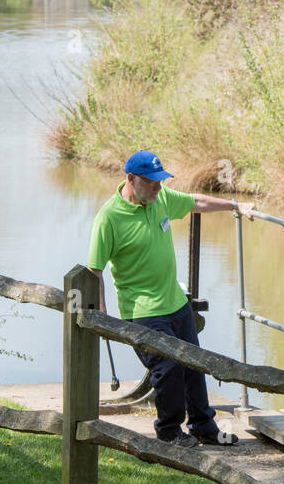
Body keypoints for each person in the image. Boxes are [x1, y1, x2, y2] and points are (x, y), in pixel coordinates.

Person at [87, 151, 256, 448]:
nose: (157, 187)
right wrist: (101, 313)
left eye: (160, 181)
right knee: (168, 368)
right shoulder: (109, 218)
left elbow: (196, 202)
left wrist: (236, 204)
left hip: (176, 304)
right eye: (151, 182)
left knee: (194, 364)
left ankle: (203, 427)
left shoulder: (160, 199)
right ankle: (168, 430)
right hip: (142, 311)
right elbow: (94, 270)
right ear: (130, 179)